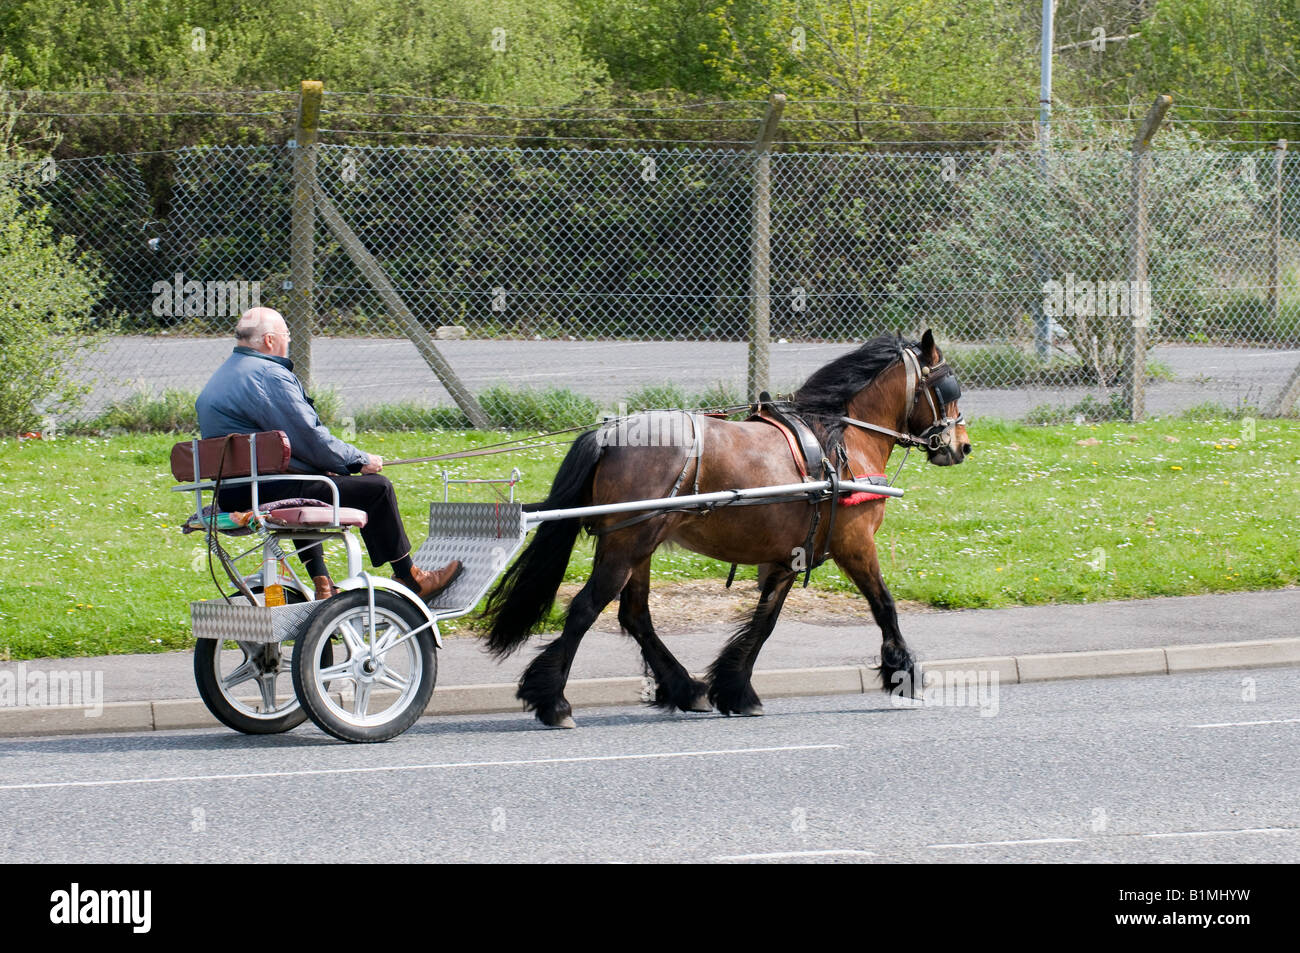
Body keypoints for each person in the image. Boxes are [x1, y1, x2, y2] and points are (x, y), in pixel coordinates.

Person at [196, 307, 462, 601]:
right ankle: (412, 578)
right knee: (377, 488)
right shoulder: (268, 375)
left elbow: (275, 446)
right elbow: (309, 437)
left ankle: (323, 584)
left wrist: (324, 468)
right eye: (286, 334)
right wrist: (358, 460)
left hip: (233, 494)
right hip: (267, 490)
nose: (288, 340)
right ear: (270, 340)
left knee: (312, 487)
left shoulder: (221, 377)